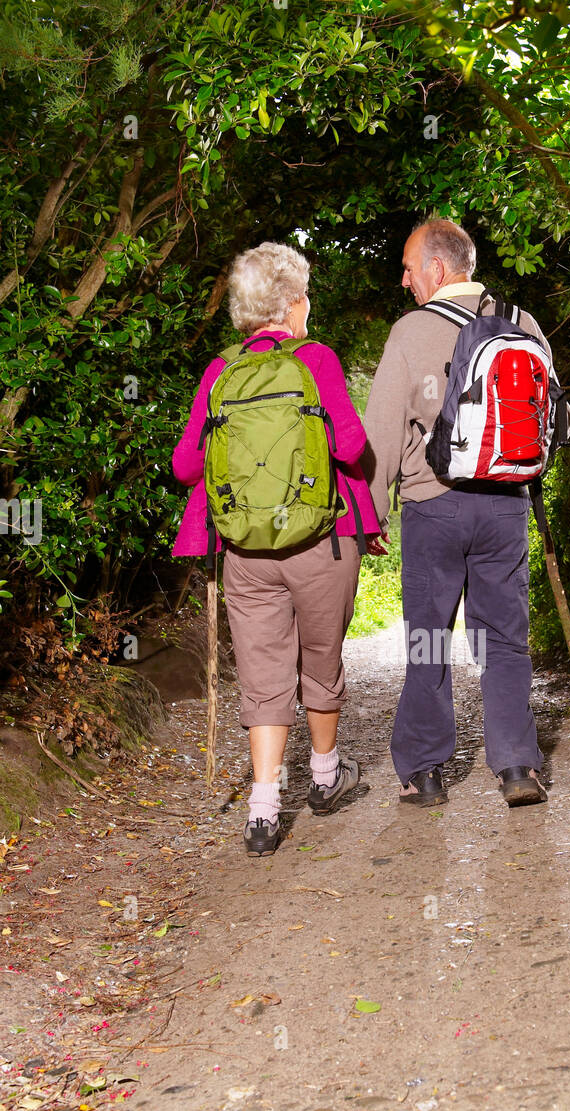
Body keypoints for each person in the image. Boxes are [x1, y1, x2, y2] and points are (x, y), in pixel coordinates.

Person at [172, 241, 382, 854]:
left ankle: (263, 811)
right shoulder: (316, 360)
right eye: (306, 294)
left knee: (263, 670)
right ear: (291, 304)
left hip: (244, 549)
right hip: (322, 541)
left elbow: (187, 466)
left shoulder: (220, 371)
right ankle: (324, 778)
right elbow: (349, 447)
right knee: (321, 655)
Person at [364, 218, 557, 809]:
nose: (404, 280)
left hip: (433, 506)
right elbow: (549, 415)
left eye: (408, 267)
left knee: (427, 639)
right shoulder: (522, 323)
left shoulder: (411, 330)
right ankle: (517, 766)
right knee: (505, 640)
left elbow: (381, 429)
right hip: (506, 505)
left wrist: (371, 513)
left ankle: (425, 773)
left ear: (438, 269)